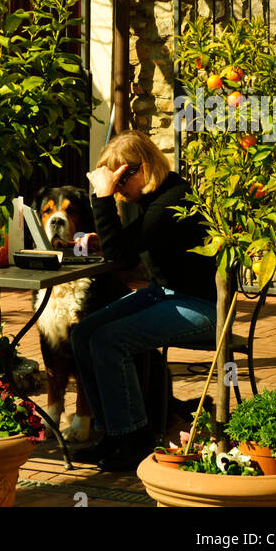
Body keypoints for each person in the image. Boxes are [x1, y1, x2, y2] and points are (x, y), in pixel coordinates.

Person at [69, 130, 217, 471]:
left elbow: (120, 254)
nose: (118, 191)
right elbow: (123, 245)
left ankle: (133, 438)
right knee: (83, 334)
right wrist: (103, 236)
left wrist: (102, 197)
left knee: (109, 340)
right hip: (166, 294)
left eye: (120, 182)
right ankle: (111, 433)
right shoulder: (152, 200)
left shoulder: (171, 202)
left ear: (141, 170)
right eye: (114, 186)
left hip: (200, 307)